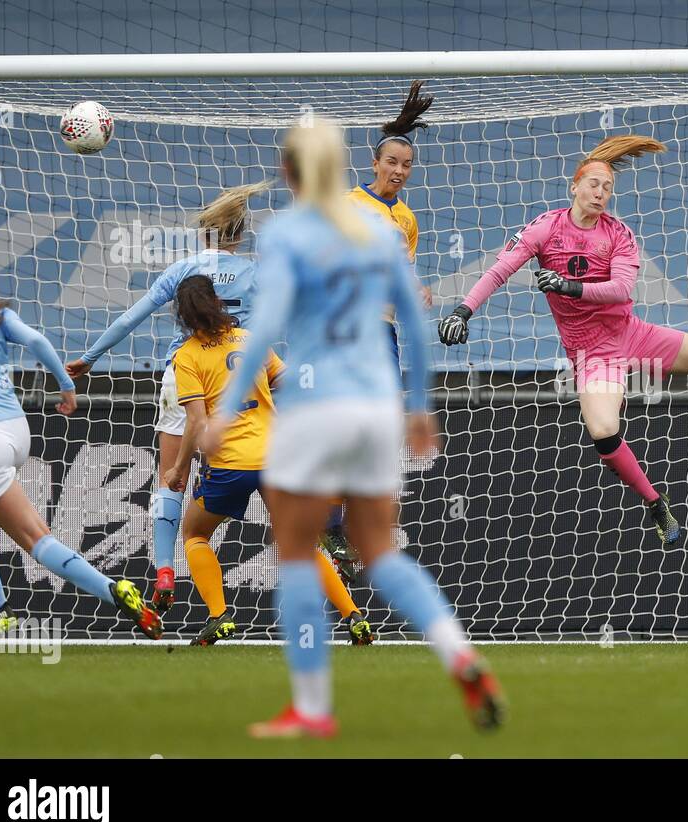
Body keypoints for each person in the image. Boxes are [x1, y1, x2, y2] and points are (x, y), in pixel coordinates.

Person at [203, 121, 504, 737]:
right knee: (382, 553)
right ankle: (460, 654)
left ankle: (312, 707)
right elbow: (415, 326)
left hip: (316, 405)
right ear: (346, 168)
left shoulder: (290, 232)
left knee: (295, 553)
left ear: (290, 176)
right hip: (375, 408)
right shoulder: (379, 230)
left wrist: (228, 411)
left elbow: (260, 334)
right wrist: (419, 408)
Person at [440, 135, 688, 545]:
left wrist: (569, 287)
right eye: (593, 185)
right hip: (592, 353)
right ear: (574, 186)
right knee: (604, 429)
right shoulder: (545, 228)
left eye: (608, 188)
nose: (601, 193)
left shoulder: (618, 234)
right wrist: (464, 310)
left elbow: (622, 290)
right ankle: (656, 504)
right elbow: (499, 270)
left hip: (633, 334)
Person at [66, 182, 269, 612]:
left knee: (170, 475)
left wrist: (88, 358)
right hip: (239, 381)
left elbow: (129, 317)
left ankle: (163, 570)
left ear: (205, 234)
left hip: (187, 374)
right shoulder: (259, 273)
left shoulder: (184, 271)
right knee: (260, 471)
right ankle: (326, 534)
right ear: (241, 234)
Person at [0, 248, 161, 639]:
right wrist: (67, 387)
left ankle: (112, 590)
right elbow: (36, 340)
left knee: (36, 539)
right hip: (15, 428)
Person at [162, 275, 374, 646]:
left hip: (230, 464)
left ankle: (219, 616)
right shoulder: (249, 340)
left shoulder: (187, 356)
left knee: (194, 533)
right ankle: (354, 616)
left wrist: (179, 469)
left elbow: (196, 422)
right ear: (218, 301)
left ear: (182, 314)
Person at [323, 80, 436, 576]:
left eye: (406, 166)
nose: (399, 171)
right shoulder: (347, 204)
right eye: (392, 162)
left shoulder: (407, 219)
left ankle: (340, 519)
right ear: (374, 163)